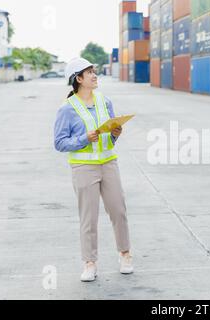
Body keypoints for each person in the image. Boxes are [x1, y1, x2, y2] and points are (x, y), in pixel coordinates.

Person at [54, 57, 133, 282]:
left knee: (118, 210)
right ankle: (90, 263)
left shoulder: (104, 102)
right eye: (89, 72)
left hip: (108, 164)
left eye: (94, 71)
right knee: (89, 217)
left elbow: (108, 135)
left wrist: (115, 134)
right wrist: (83, 138)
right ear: (78, 79)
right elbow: (59, 142)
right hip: (84, 168)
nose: (95, 75)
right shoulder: (66, 109)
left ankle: (125, 255)